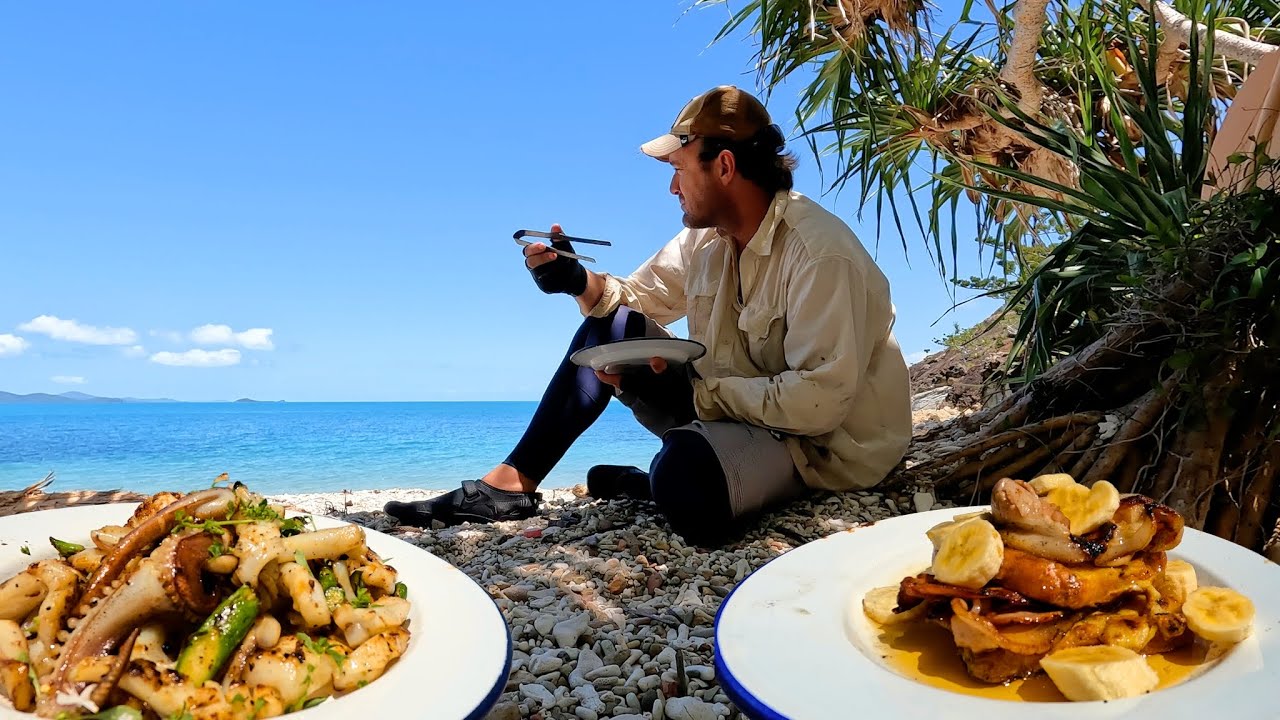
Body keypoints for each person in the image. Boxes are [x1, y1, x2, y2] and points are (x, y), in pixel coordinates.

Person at [384, 85, 912, 546]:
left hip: (821, 448)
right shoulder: (705, 243)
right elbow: (630, 300)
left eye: (679, 170)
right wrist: (573, 278)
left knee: (688, 479)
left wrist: (698, 391)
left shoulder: (819, 252)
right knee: (608, 329)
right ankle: (512, 484)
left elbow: (818, 404)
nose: (672, 187)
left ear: (723, 166)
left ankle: (649, 482)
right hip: (739, 415)